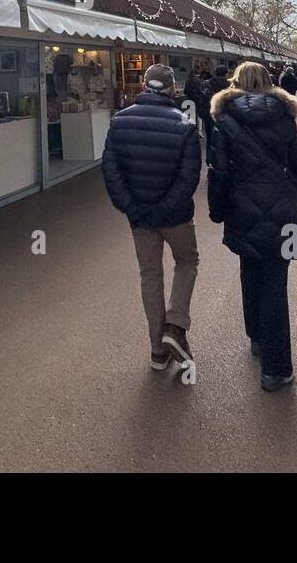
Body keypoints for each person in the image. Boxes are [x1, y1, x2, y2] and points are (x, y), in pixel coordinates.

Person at [207, 61, 297, 392]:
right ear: (268, 81)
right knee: (275, 286)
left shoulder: (224, 119)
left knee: (249, 272)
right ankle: (275, 369)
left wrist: (217, 210)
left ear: (236, 82)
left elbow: (218, 171)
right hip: (282, 210)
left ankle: (256, 336)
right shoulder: (284, 116)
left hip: (243, 209)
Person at [102, 63, 202, 373]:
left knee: (150, 275)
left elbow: (111, 172)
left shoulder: (119, 122)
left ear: (144, 86)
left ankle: (158, 349)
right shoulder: (184, 125)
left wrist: (131, 207)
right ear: (172, 89)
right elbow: (188, 178)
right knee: (187, 261)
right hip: (176, 216)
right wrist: (164, 208)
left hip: (140, 217)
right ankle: (175, 326)